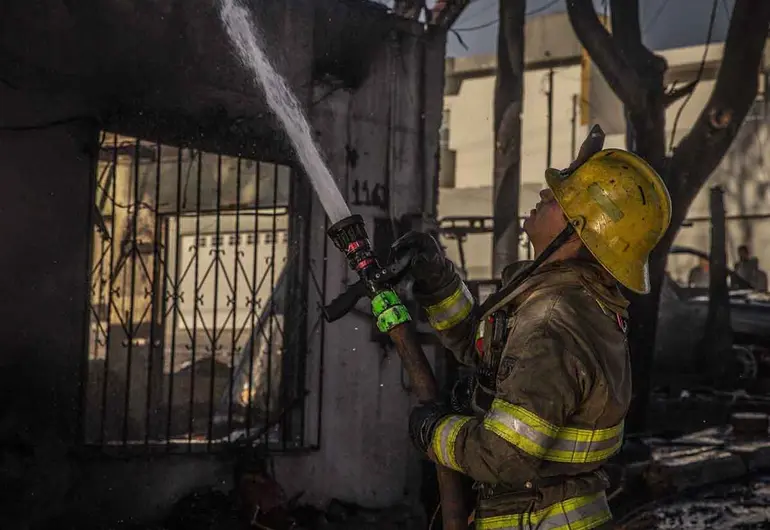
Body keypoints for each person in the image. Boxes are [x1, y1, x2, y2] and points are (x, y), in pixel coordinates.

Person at [392, 126, 671, 529]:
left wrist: (433, 431)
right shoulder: (561, 299)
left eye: (560, 198)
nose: (544, 194)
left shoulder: (552, 322)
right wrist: (437, 281)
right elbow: (483, 348)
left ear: (579, 231)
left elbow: (501, 455)